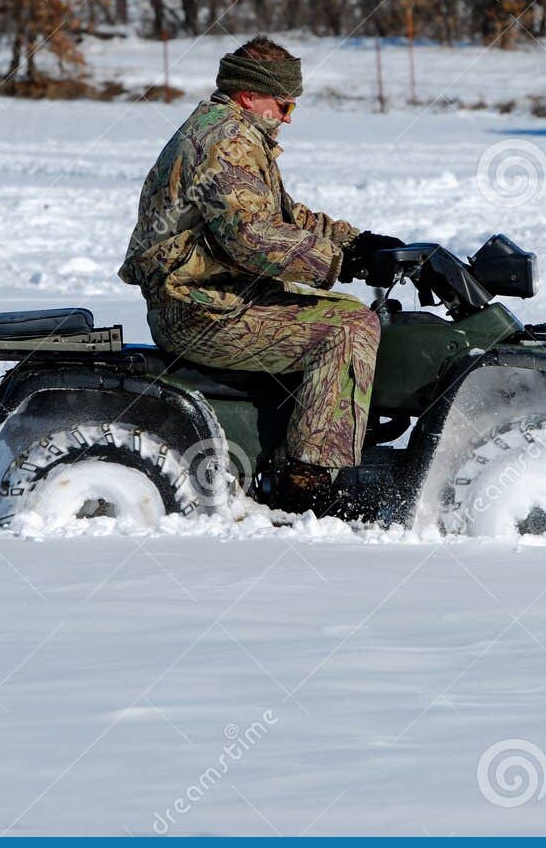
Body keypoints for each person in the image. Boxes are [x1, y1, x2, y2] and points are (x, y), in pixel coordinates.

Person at [119, 36, 403, 511]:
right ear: (250, 96)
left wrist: (359, 242)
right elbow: (250, 237)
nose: (289, 116)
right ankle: (307, 487)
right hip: (202, 310)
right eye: (284, 103)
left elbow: (282, 219)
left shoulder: (235, 132)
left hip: (217, 298)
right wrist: (340, 263)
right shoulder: (226, 142)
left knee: (346, 313)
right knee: (349, 331)